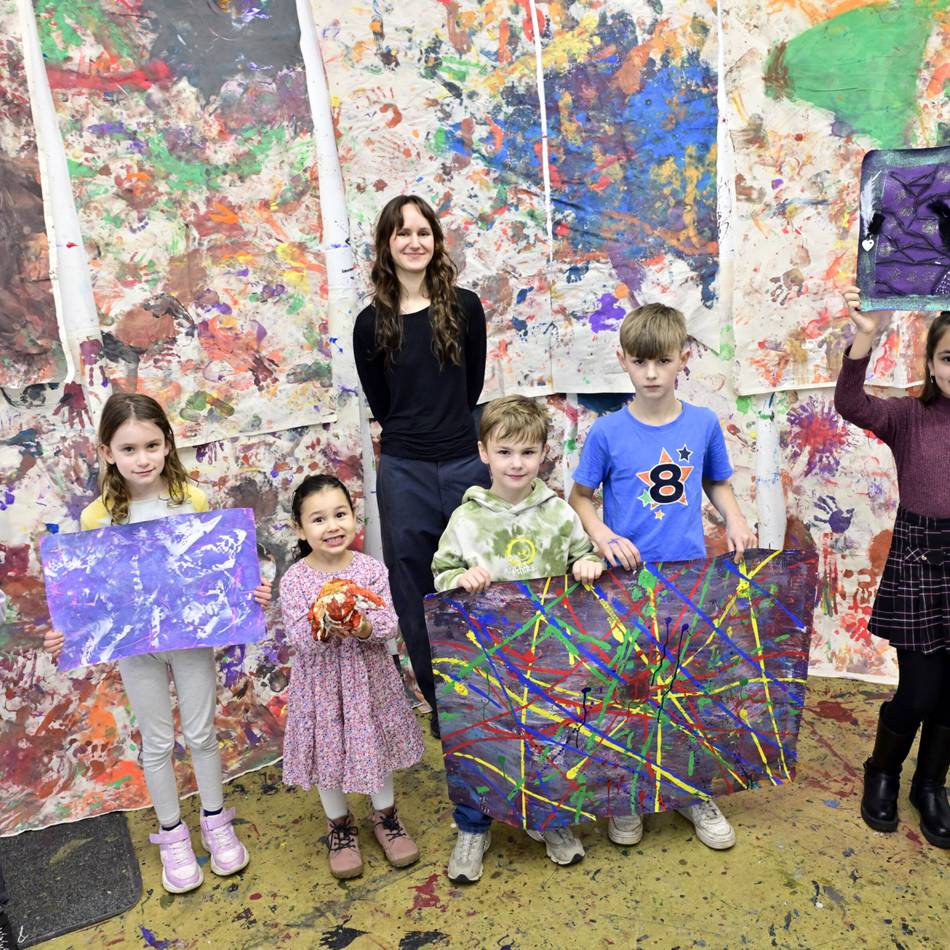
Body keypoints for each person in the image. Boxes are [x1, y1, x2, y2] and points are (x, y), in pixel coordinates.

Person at [43, 393, 273, 894]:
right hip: (136, 647)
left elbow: (215, 570)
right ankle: (172, 834)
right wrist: (68, 628)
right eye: (129, 449)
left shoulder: (191, 499)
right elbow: (93, 594)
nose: (142, 458)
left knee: (202, 732)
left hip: (189, 639)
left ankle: (215, 820)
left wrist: (248, 590)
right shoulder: (96, 518)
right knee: (158, 741)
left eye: (151, 445)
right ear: (107, 453)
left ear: (168, 444)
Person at [568, 303, 756, 852]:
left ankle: (691, 790)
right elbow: (580, 497)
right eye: (640, 362)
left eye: (663, 362)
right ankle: (629, 793)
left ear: (683, 359)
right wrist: (602, 535)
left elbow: (717, 481)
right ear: (623, 360)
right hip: (625, 585)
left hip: (688, 581)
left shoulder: (703, 423)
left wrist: (735, 518)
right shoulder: (607, 432)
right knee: (630, 691)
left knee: (686, 691)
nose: (651, 374)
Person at [431, 395, 604, 882]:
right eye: (504, 452)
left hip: (548, 656)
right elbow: (441, 573)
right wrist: (459, 579)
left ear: (543, 454)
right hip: (485, 660)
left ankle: (550, 818)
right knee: (481, 739)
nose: (516, 463)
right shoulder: (466, 520)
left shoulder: (558, 513)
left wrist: (586, 563)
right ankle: (473, 826)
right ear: (484, 452)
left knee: (551, 738)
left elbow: (582, 554)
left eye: (528, 452)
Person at [353, 194, 490, 736]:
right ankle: (444, 708)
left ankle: (492, 695)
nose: (414, 242)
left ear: (436, 241)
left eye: (423, 232)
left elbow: (471, 387)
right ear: (387, 245)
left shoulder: (466, 308)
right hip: (404, 470)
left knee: (481, 576)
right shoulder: (370, 324)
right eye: (402, 233)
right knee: (415, 590)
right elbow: (382, 404)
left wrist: (450, 436)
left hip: (464, 462)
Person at [836, 289, 950, 849]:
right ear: (930, 362)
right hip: (921, 560)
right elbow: (852, 405)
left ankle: (930, 785)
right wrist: (866, 337)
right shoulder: (910, 416)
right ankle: (882, 770)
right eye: (949, 357)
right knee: (920, 692)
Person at [279, 474, 425, 879]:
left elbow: (389, 623)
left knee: (375, 745)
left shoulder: (370, 569)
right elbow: (299, 639)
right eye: (319, 519)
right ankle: (339, 827)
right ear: (300, 529)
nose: (332, 526)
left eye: (340, 514)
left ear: (354, 516)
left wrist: (362, 626)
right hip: (321, 688)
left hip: (370, 682)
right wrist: (325, 624)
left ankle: (386, 817)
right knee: (326, 752)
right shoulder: (294, 580)